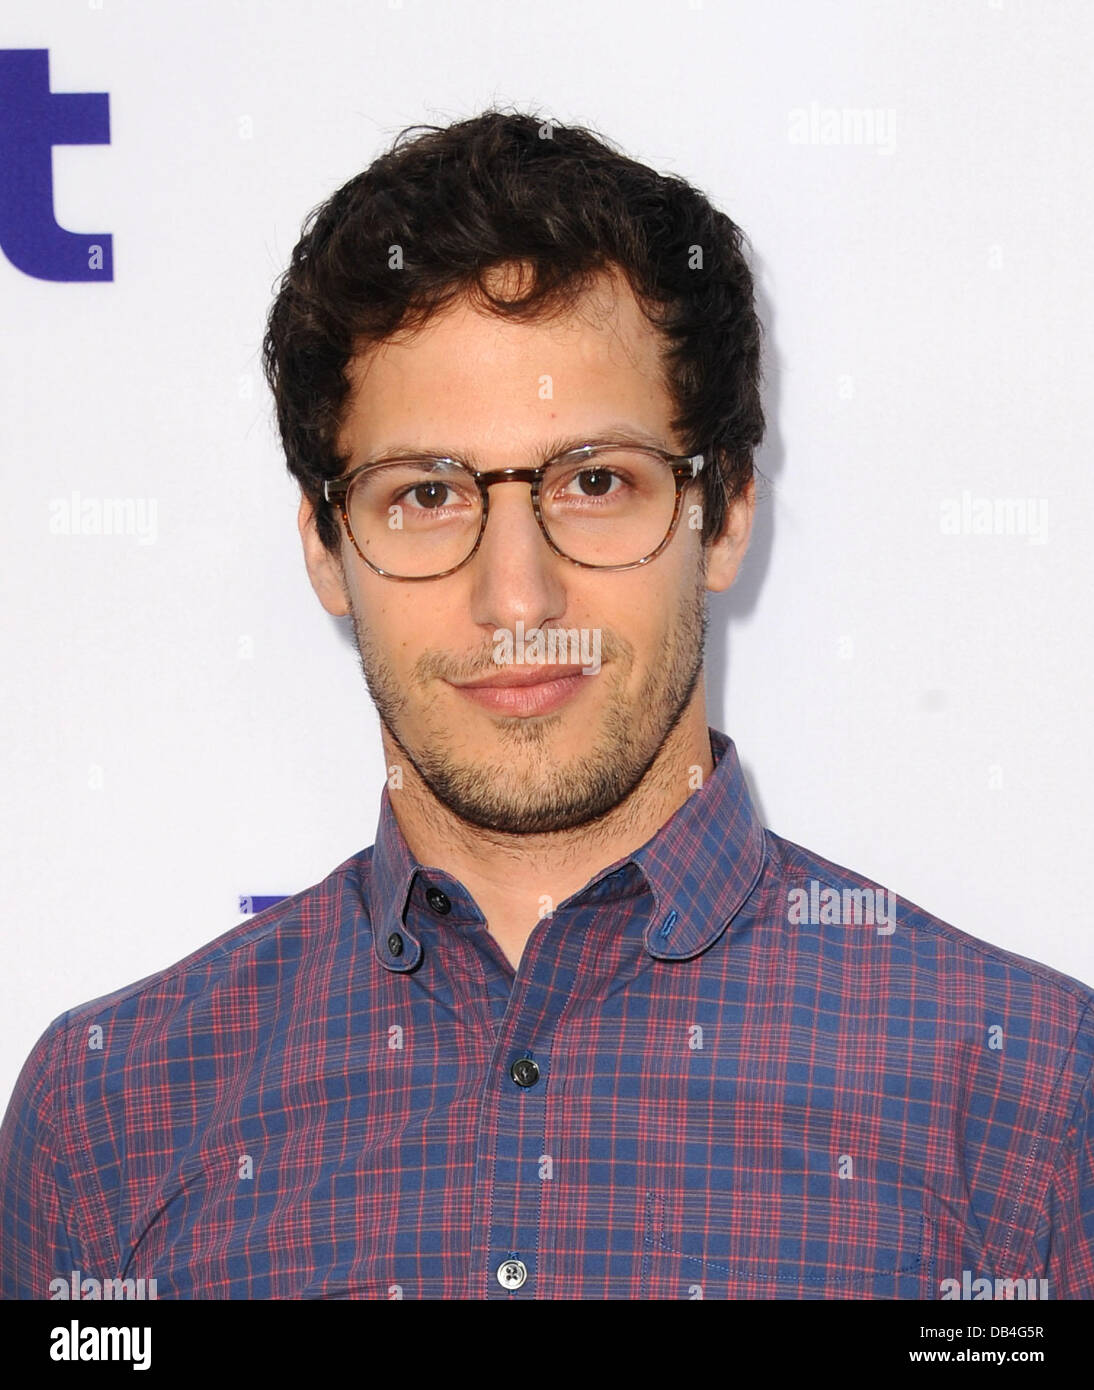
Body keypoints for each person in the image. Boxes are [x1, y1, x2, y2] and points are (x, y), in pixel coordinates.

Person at [2, 110, 1092, 1301]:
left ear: (720, 514)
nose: (514, 597)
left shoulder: (1028, 1104)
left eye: (592, 482)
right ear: (325, 546)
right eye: (424, 492)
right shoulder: (107, 1117)